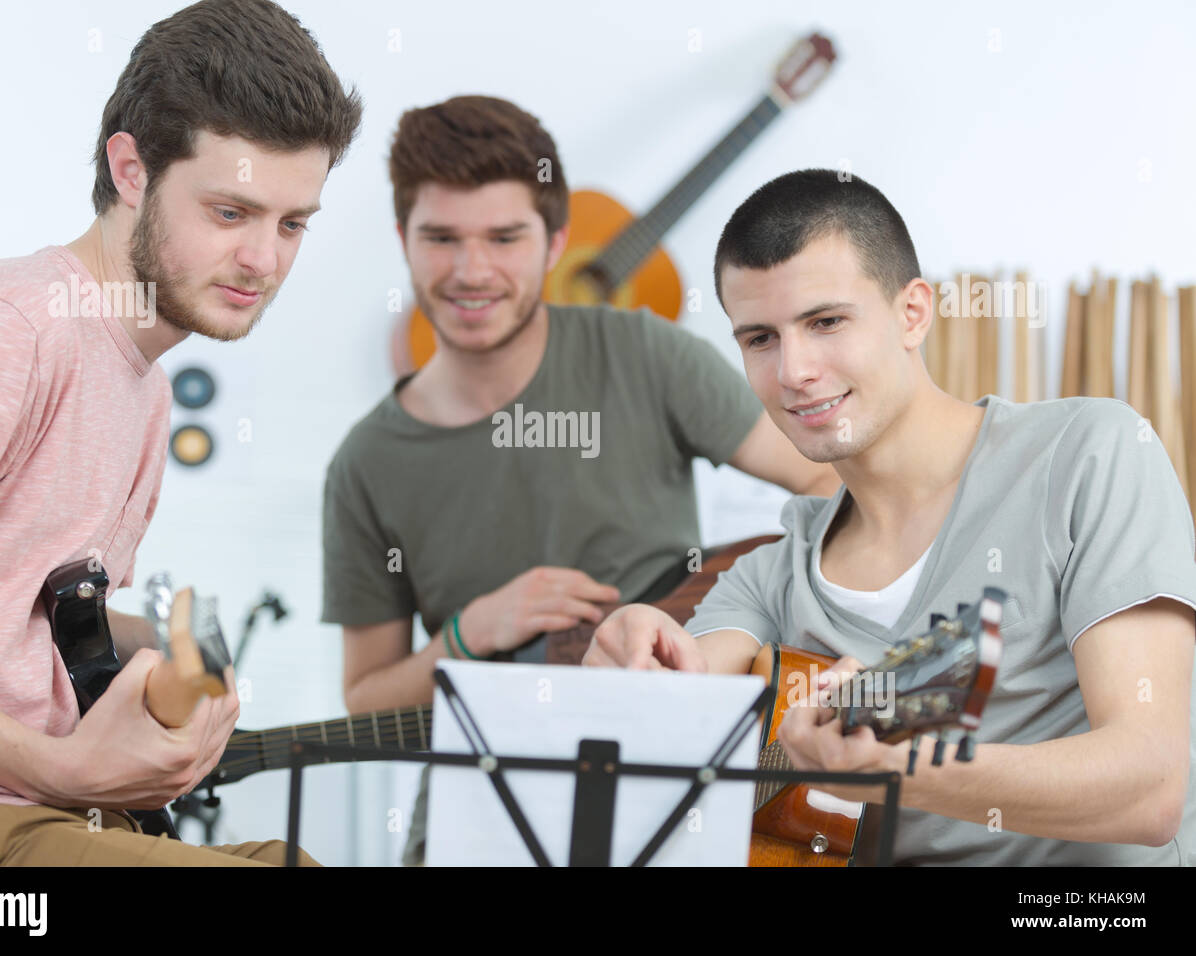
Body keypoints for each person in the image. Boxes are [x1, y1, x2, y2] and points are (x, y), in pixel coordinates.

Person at [583, 169, 1196, 865]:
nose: (794, 370)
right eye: (759, 338)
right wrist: (639, 651)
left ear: (913, 313)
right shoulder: (770, 575)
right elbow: (678, 707)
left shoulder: (1089, 454)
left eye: (825, 322)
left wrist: (899, 772)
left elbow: (1149, 791)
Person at [0, 0, 361, 866]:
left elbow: (9, 613)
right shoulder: (9, 329)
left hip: (42, 817)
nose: (266, 260)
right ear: (132, 169)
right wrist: (60, 767)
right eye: (232, 213)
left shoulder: (141, 387)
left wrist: (169, 659)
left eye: (292, 223)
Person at [321, 96, 840, 863]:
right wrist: (470, 632)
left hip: (671, 789)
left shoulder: (646, 355)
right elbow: (364, 700)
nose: (472, 271)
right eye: (441, 238)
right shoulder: (366, 464)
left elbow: (834, 487)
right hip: (483, 808)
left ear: (556, 240)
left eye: (504, 237)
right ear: (404, 239)